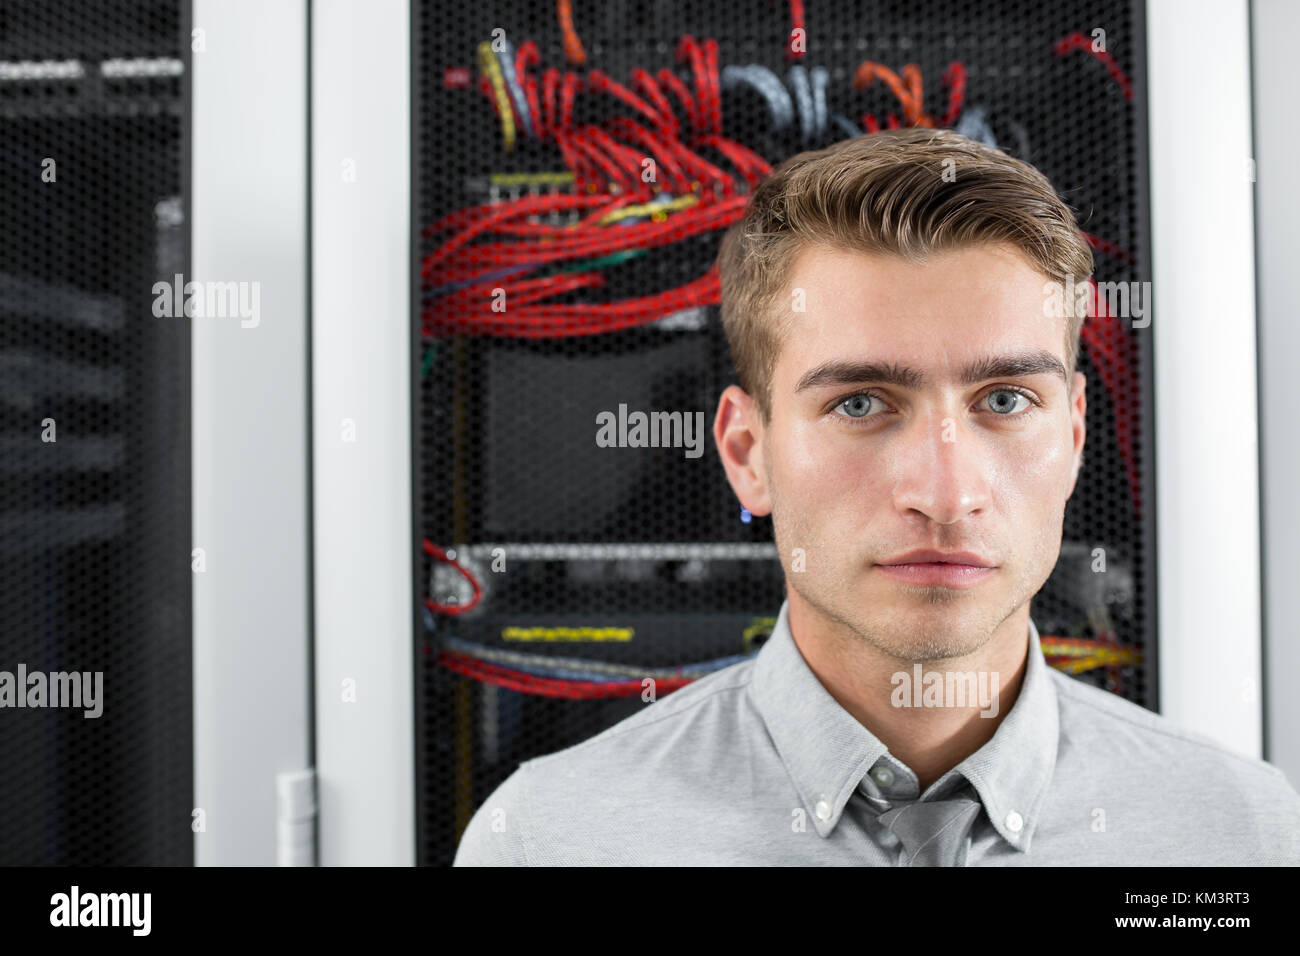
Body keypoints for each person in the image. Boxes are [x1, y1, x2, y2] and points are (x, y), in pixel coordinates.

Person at [454, 127, 1300, 865]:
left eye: (1005, 400)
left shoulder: (1243, 838)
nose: (946, 492)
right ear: (748, 454)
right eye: (859, 404)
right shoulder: (550, 844)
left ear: (1075, 436)